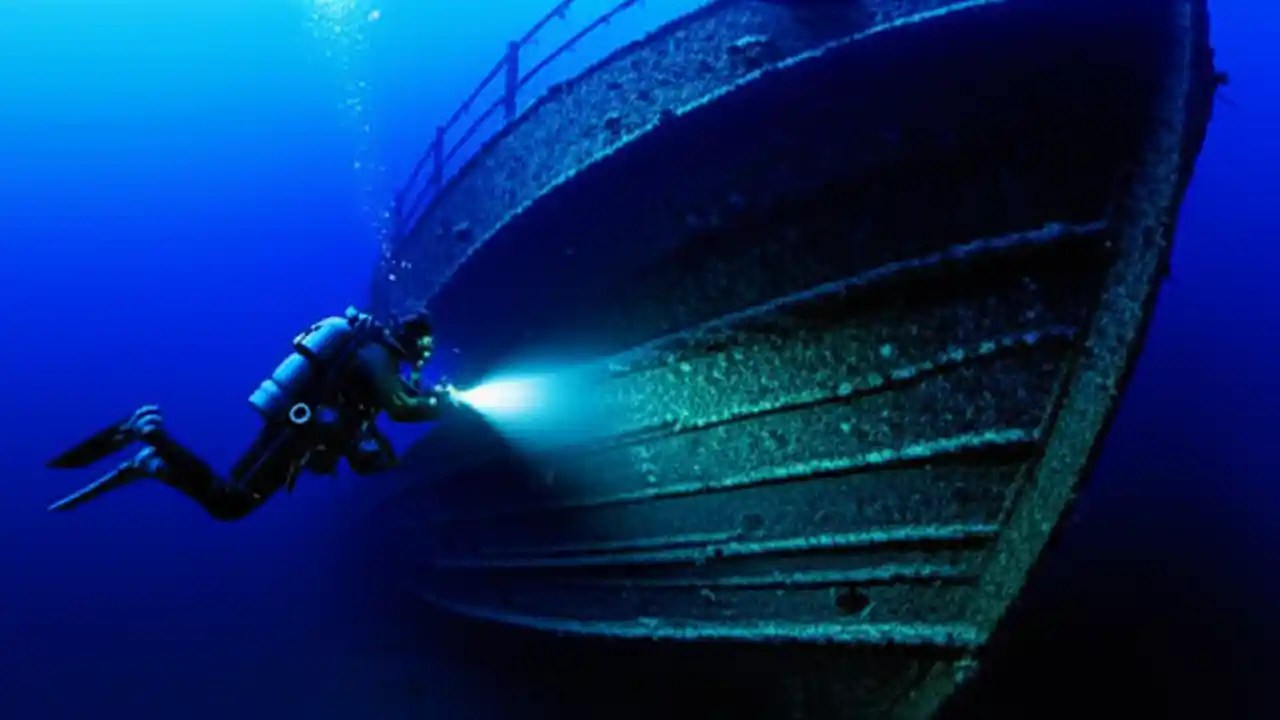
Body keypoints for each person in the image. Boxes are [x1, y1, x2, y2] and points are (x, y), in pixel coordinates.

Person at [46, 304, 461, 520]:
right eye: (423, 347)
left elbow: (395, 401)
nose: (424, 355)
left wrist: (428, 399)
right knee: (232, 504)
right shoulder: (378, 357)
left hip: (294, 427)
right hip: (296, 434)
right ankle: (153, 440)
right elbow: (402, 409)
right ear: (408, 338)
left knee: (229, 497)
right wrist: (444, 406)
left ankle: (158, 462)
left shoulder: (375, 357)